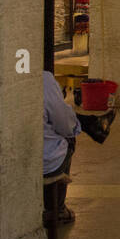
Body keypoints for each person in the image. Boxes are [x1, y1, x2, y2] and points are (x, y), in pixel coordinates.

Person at [43, 70, 81, 224]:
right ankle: (57, 210)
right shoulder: (44, 80)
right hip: (44, 161)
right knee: (68, 136)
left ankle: (95, 124)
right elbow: (64, 123)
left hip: (12, 156)